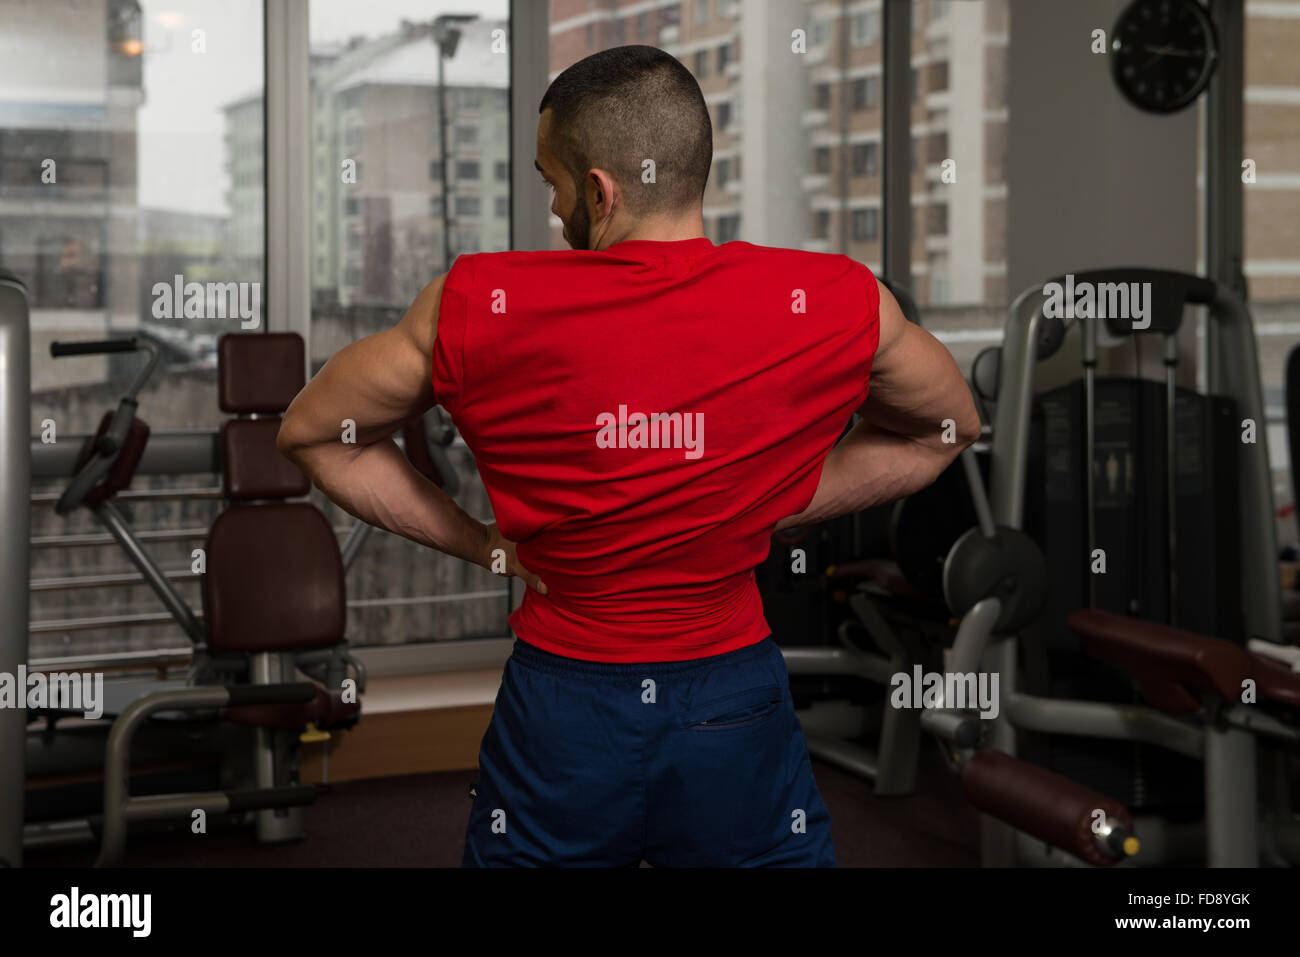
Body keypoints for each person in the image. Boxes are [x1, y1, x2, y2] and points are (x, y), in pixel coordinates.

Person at [277, 44, 980, 867]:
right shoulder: (832, 297)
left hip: (565, 707)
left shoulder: (479, 303)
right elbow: (947, 427)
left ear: (601, 191)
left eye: (554, 185)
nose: (554, 207)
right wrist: (774, 495)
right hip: (732, 701)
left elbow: (314, 432)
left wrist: (482, 543)